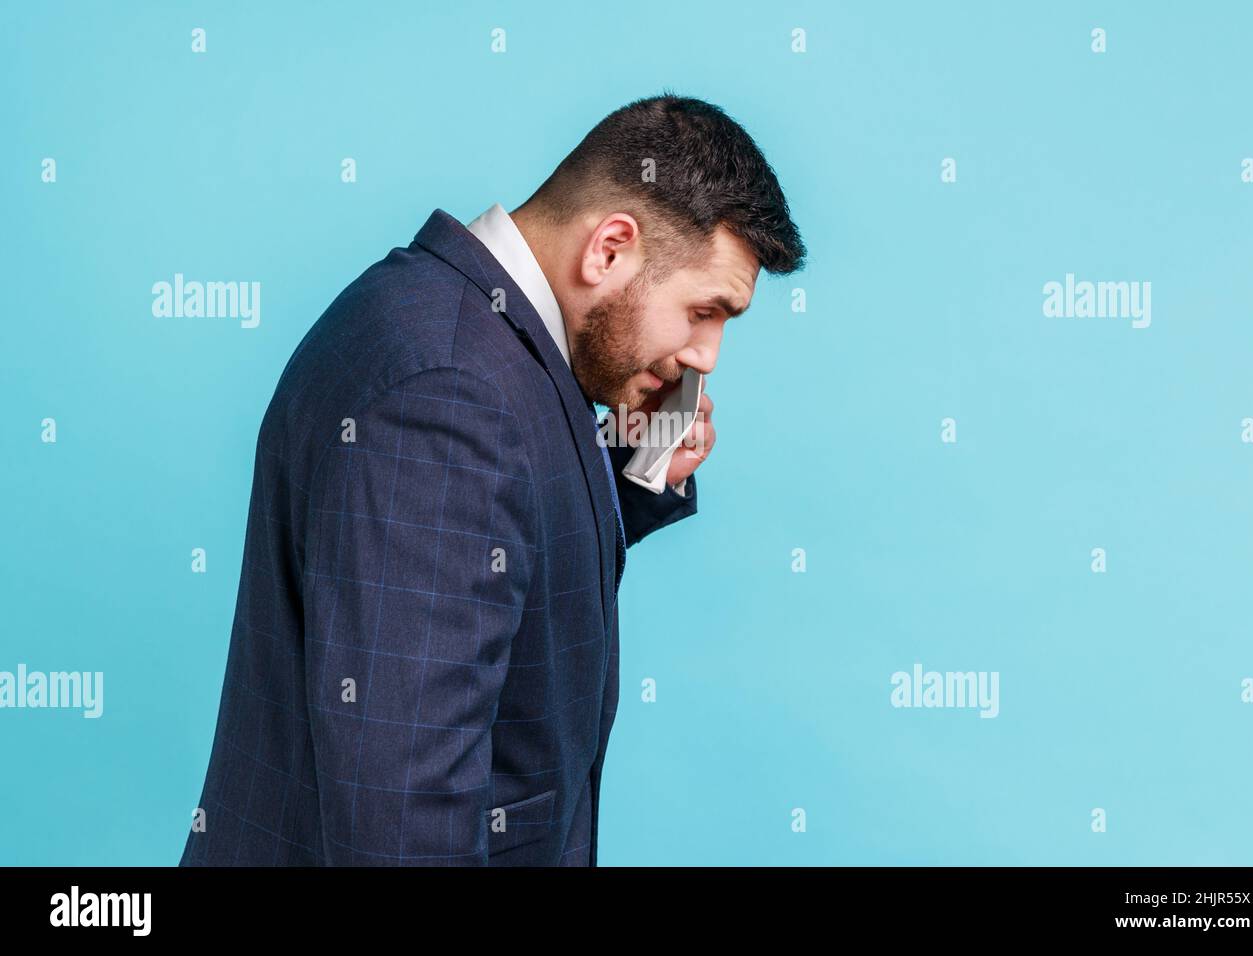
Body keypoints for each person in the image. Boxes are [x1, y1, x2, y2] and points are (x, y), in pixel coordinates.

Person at [179, 93, 805, 866]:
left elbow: (484, 544)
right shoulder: (448, 390)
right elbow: (405, 807)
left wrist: (631, 475)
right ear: (609, 248)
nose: (708, 355)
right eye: (705, 312)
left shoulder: (463, 330)